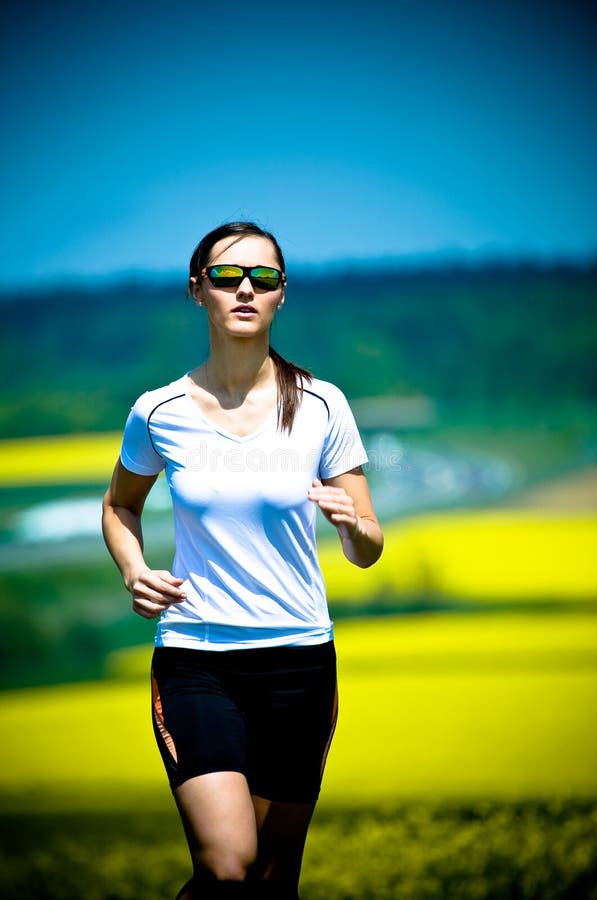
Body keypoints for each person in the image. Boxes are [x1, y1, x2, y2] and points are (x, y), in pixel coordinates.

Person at [102, 221, 383, 899]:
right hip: (198, 661)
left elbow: (368, 546)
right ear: (197, 290)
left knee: (272, 878)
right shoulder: (158, 411)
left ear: (283, 293)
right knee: (229, 864)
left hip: (300, 660)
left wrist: (351, 526)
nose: (246, 289)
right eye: (228, 276)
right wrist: (134, 571)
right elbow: (120, 506)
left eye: (264, 277)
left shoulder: (323, 405)